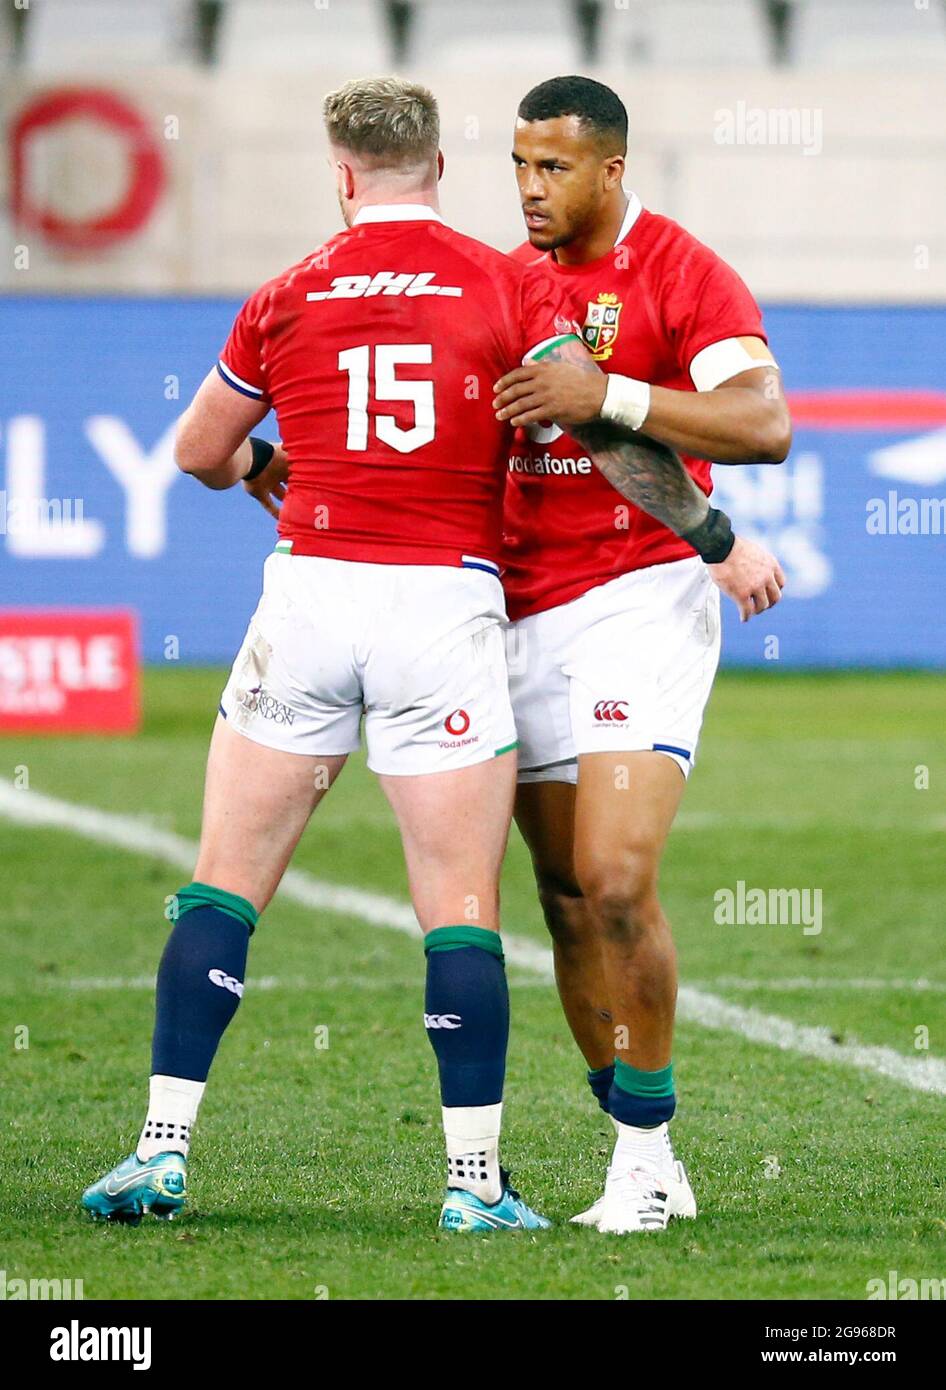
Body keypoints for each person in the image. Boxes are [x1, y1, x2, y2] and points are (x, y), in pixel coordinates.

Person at [79, 75, 590, 1233]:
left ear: (343, 174)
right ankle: (472, 1187)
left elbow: (198, 450)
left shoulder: (289, 290)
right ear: (442, 168)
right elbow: (572, 424)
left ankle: (160, 1151)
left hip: (309, 594)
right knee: (457, 903)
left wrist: (270, 470)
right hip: (442, 604)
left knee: (223, 883)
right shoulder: (508, 281)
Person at [490, 75, 790, 1233]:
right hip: (518, 612)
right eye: (518, 164)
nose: (529, 187)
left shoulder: (680, 271)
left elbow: (763, 424)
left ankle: (641, 1158)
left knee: (617, 878)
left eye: (553, 166)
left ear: (610, 169)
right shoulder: (504, 283)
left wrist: (605, 387)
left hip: (640, 598)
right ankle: (642, 1149)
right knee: (565, 898)